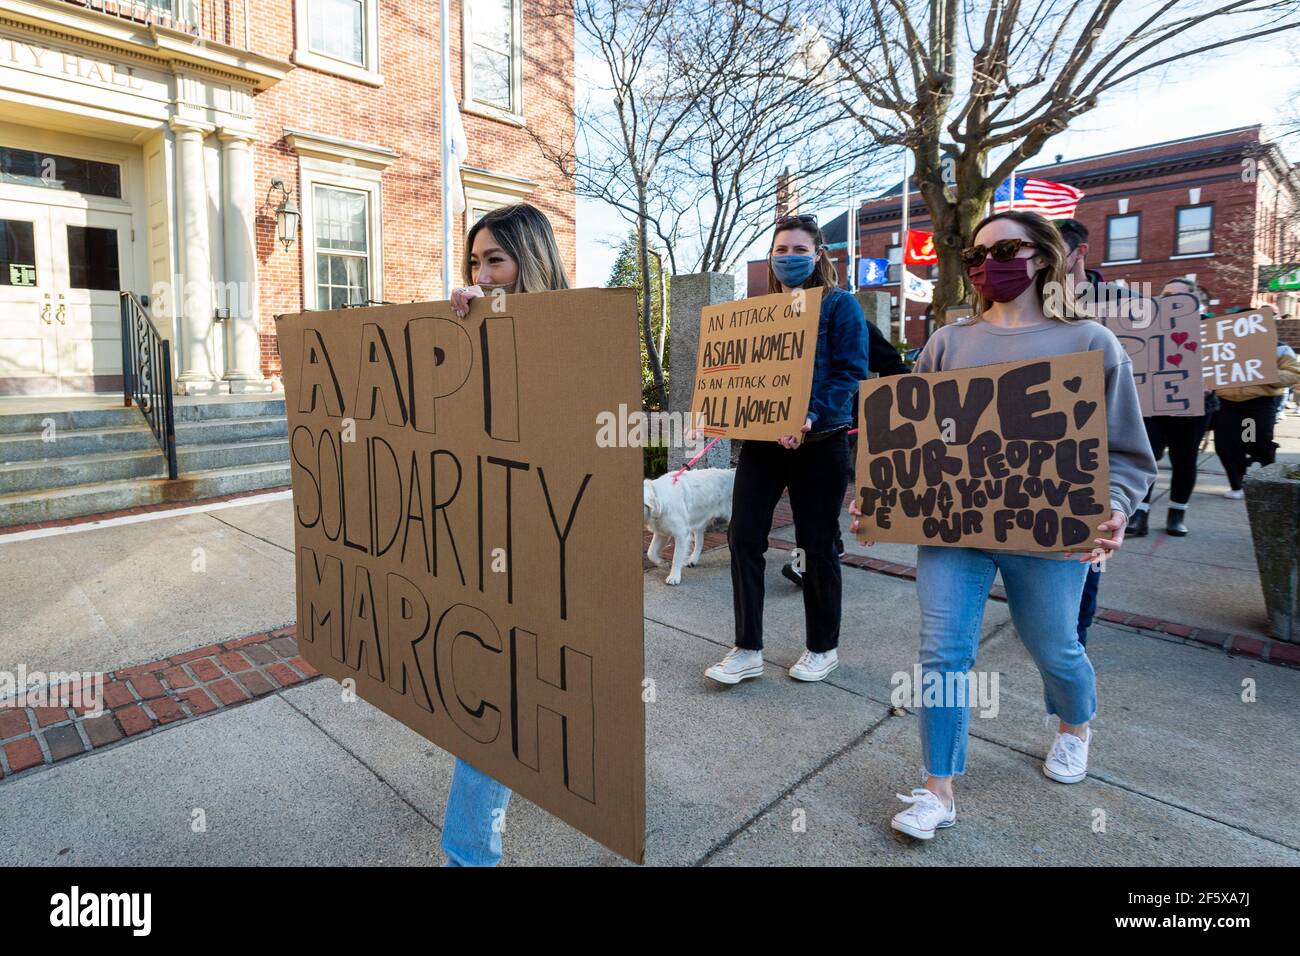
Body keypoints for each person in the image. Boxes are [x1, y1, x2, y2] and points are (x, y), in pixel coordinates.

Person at [850, 210, 1156, 841]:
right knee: (941, 654)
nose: (990, 263)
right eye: (977, 255)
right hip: (953, 531)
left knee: (1055, 647)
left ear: (1042, 256)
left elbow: (1127, 451)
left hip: (1048, 529)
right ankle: (939, 787)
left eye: (1006, 249)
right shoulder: (947, 343)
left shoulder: (1091, 342)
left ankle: (1075, 724)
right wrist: (879, 495)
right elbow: (915, 440)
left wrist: (1117, 507)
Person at [441, 202, 570, 866]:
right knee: (492, 697)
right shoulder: (471, 333)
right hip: (485, 545)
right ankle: (471, 847)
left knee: (504, 698)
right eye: (474, 262)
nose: (482, 274)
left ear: (532, 260)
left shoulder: (575, 338)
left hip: (544, 547)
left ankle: (469, 846)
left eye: (496, 259)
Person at [705, 213, 871, 685]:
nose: (789, 259)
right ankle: (747, 648)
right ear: (771, 256)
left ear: (818, 255)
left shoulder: (840, 307)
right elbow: (738, 376)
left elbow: (851, 372)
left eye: (800, 250)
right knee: (744, 538)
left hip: (820, 443)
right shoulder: (758, 314)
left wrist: (812, 414)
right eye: (781, 250)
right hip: (763, 444)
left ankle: (823, 647)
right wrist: (719, 410)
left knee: (816, 547)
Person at [780, 257, 908, 588]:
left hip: (840, 426)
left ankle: (819, 555)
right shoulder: (785, 330)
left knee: (822, 501)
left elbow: (894, 368)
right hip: (793, 433)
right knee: (804, 503)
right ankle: (818, 553)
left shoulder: (854, 323)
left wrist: (881, 410)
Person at [1055, 218, 1131, 646]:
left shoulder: (1121, 305)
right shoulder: (1022, 307)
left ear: (1078, 252)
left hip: (1096, 444)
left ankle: (1075, 634)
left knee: (1089, 547)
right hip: (1043, 446)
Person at [1121, 276, 1213, 536]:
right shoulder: (1146, 326)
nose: (1168, 300)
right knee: (1146, 458)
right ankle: (1139, 514)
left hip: (1193, 408)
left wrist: (1212, 383)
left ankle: (1177, 514)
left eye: (1177, 296)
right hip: (1154, 405)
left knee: (1185, 460)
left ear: (1192, 300)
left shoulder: (1208, 328)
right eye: (1165, 294)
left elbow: (1224, 365)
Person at [1214, 337, 1300, 498]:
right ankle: (1237, 484)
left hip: (1258, 403)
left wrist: (1265, 373)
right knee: (1226, 446)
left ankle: (1268, 481)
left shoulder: (1279, 347)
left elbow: (1294, 373)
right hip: (1227, 403)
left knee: (1257, 441)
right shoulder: (1221, 345)